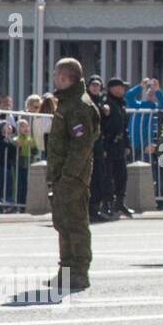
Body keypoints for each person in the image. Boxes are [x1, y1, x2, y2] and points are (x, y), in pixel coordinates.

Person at [45, 58, 101, 293]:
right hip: (62, 175)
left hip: (73, 177)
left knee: (75, 222)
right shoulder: (67, 103)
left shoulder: (79, 106)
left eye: (58, 75)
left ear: (66, 78)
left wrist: (68, 175)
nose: (55, 79)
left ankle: (79, 271)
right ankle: (66, 270)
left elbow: (81, 146)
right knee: (63, 223)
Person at [101, 78, 133, 217]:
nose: (123, 90)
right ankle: (106, 204)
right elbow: (102, 126)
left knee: (122, 175)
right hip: (108, 143)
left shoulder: (121, 104)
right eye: (120, 87)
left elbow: (123, 127)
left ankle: (119, 203)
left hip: (119, 144)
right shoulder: (106, 103)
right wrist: (103, 147)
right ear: (113, 88)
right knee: (107, 176)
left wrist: (127, 144)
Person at [86, 76, 112, 222]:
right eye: (93, 85)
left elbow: (106, 123)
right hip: (87, 143)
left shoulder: (102, 101)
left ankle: (95, 209)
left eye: (98, 85)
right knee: (89, 178)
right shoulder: (85, 101)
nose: (95, 88)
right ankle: (88, 210)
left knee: (99, 177)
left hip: (98, 143)